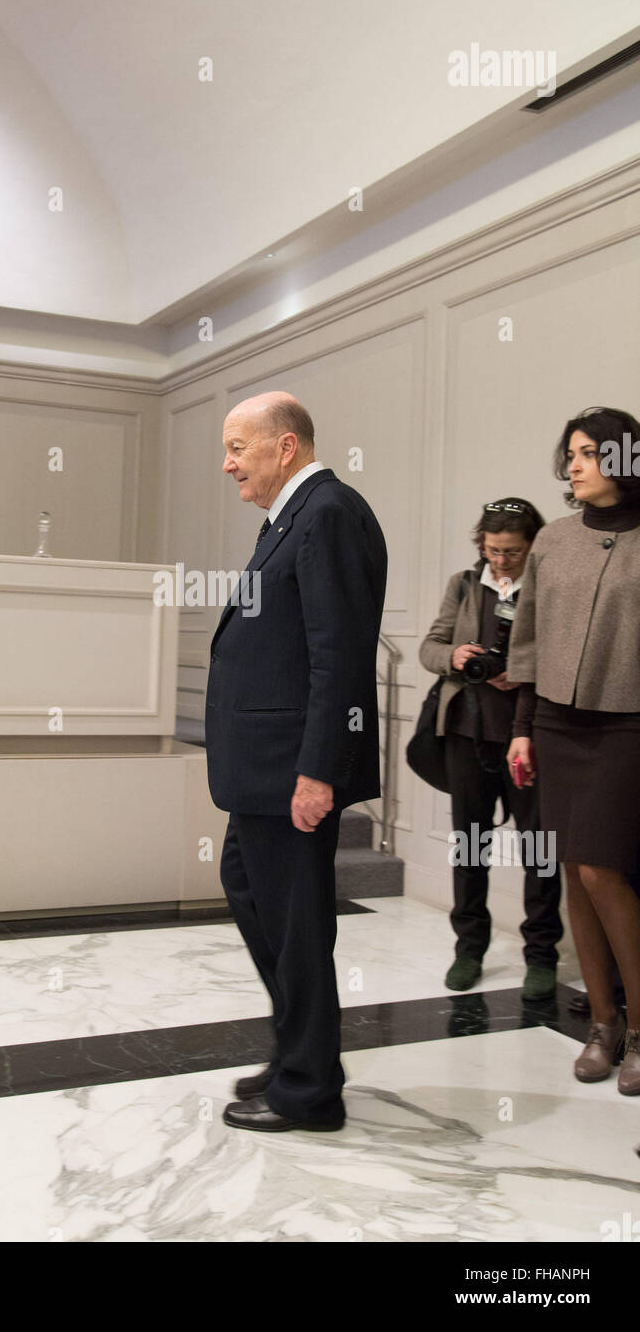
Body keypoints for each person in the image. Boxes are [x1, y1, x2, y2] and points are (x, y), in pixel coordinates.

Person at [205, 391, 387, 1133]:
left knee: (298, 926)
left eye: (237, 448)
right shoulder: (292, 518)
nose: (227, 464)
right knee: (250, 889)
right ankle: (295, 1055)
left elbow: (336, 654)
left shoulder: (329, 515)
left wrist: (320, 770)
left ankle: (310, 1091)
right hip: (264, 767)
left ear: (284, 447)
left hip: (291, 770)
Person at [506, 407, 640, 1095]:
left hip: (626, 726)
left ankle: (639, 1028)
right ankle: (603, 1024)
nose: (575, 466)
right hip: (556, 723)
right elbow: (525, 640)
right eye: (571, 455)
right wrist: (524, 726)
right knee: (573, 872)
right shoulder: (554, 541)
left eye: (588, 453)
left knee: (603, 872)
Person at [419, 499, 562, 998]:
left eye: (513, 552)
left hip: (530, 739)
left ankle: (542, 955)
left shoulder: (547, 588)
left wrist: (520, 672)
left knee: (540, 850)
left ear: (533, 547)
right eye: (492, 550)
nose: (500, 561)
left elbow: (562, 659)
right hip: (467, 735)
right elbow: (429, 648)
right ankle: (469, 948)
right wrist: (455, 656)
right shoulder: (463, 584)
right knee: (470, 846)